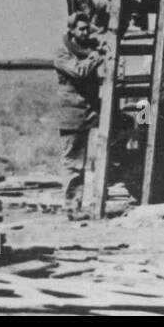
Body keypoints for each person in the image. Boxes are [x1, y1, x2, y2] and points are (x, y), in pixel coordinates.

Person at [53, 12, 108, 218]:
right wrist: (97, 55)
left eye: (87, 29)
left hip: (91, 111)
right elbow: (79, 72)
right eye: (81, 29)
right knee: (73, 163)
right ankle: (71, 208)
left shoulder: (86, 48)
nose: (85, 33)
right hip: (72, 115)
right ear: (72, 30)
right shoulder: (63, 52)